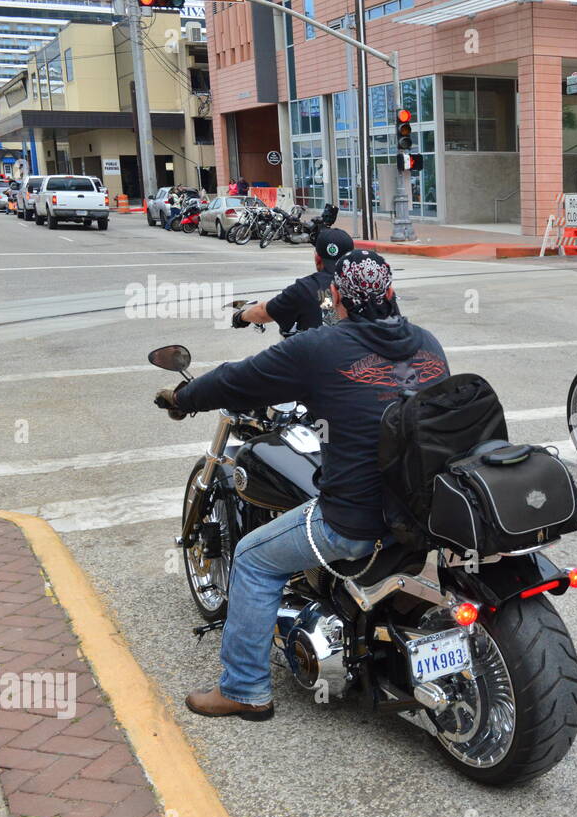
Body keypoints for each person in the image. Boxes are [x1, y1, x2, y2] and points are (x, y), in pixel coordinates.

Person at [154, 250, 450, 720]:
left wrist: (184, 396)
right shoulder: (427, 343)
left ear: (335, 298)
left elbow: (238, 379)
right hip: (425, 510)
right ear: (390, 293)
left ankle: (244, 689)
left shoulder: (320, 347)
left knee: (252, 557)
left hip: (355, 523)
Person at [232, 226, 355, 334]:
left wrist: (240, 317)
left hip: (317, 357)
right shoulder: (365, 284)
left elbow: (263, 312)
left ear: (317, 258)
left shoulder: (305, 288)